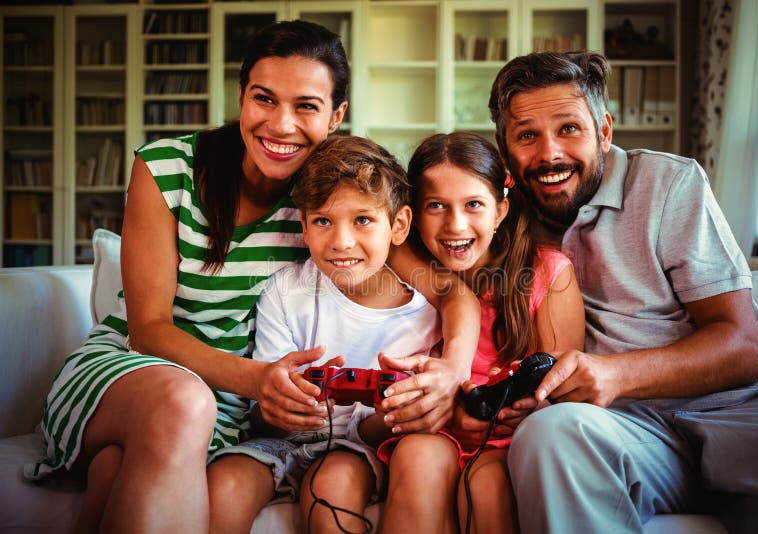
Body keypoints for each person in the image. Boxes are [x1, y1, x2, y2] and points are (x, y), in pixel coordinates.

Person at [24, 21, 477, 533]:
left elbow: (449, 291)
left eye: (306, 105)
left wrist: (452, 370)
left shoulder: (329, 199)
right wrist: (260, 381)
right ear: (241, 97)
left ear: (336, 115)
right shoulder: (167, 169)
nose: (281, 125)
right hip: (136, 372)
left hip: (232, 413)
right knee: (181, 405)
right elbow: (147, 330)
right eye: (265, 99)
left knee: (115, 472)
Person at [489, 51, 758, 533]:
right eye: (527, 135)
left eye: (569, 128)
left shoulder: (669, 183)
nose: (549, 154)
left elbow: (742, 347)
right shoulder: (495, 215)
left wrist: (616, 373)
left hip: (741, 411)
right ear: (505, 148)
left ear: (605, 131)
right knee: (548, 435)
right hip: (632, 432)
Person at [207, 134, 442, 534]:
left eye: (363, 220)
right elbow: (265, 417)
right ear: (304, 225)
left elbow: (370, 433)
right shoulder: (285, 291)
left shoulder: (425, 317)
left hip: (357, 448)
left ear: (398, 225)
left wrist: (389, 417)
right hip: (278, 443)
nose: (342, 241)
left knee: (331, 486)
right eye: (323, 221)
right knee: (224, 484)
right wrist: (280, 403)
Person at [379, 132, 585, 534]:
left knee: (487, 485)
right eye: (435, 206)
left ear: (500, 210)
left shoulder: (546, 273)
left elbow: (560, 389)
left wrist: (518, 412)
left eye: (473, 204)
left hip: (508, 438)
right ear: (412, 216)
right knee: (416, 459)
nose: (455, 225)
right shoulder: (413, 272)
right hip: (436, 427)